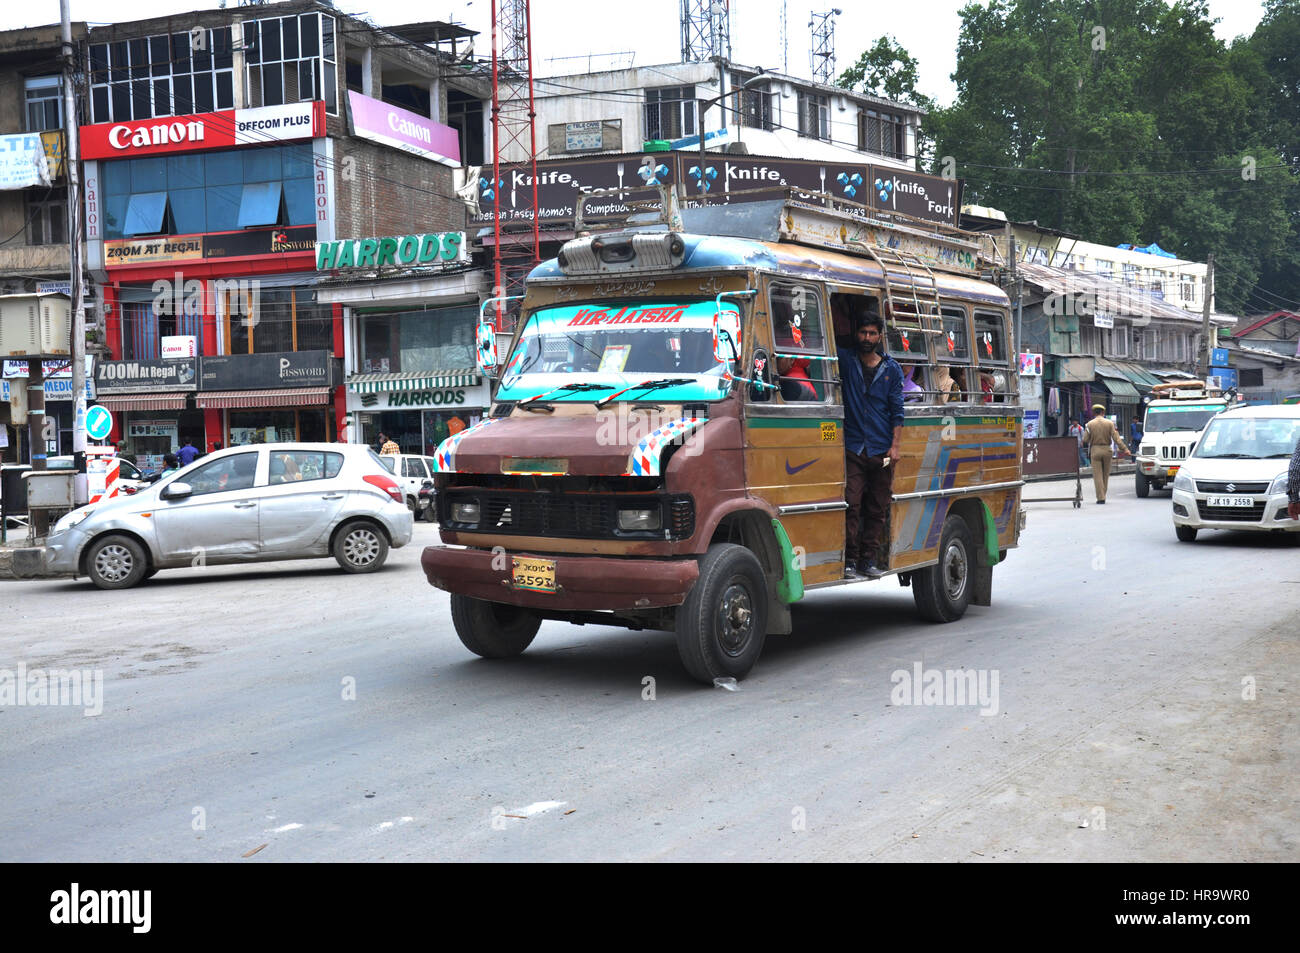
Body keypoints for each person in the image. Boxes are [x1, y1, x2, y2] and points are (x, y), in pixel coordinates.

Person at [839, 313, 904, 578]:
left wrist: (895, 446)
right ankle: (851, 560)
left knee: (877, 508)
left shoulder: (891, 369)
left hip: (881, 449)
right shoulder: (846, 360)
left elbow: (897, 411)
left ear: (880, 336)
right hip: (854, 447)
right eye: (863, 333)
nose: (867, 338)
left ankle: (868, 560)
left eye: (872, 333)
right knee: (851, 503)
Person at [1083, 403, 1130, 503]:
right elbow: (1116, 439)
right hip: (1107, 450)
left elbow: (1085, 439)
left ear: (1094, 413)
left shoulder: (1089, 424)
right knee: (1105, 475)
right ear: (1103, 412)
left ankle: (1101, 498)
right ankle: (1103, 494)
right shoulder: (1109, 423)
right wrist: (1125, 449)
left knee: (1097, 475)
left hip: (1095, 450)